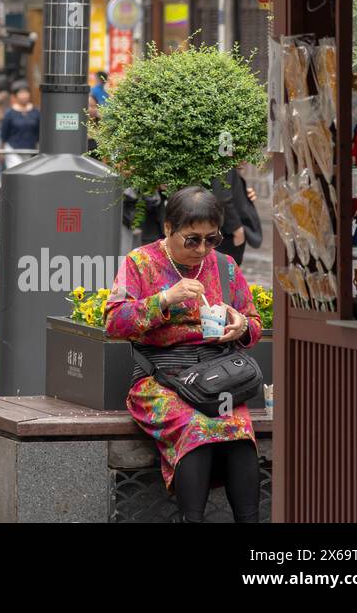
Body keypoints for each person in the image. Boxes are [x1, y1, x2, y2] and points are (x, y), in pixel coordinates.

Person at [104, 185, 263, 523]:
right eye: (192, 240)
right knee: (196, 427)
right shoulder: (141, 262)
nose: (202, 249)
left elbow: (253, 322)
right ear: (168, 229)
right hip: (162, 379)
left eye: (212, 239)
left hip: (217, 377)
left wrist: (241, 326)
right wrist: (164, 299)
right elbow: (115, 322)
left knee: (238, 431)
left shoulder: (225, 266)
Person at [0, 80, 40, 169]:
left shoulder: (36, 112)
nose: (24, 95)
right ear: (14, 96)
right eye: (21, 93)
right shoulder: (10, 113)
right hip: (13, 149)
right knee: (16, 171)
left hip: (30, 150)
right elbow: (4, 134)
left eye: (26, 92)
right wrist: (1, 151)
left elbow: (39, 132)